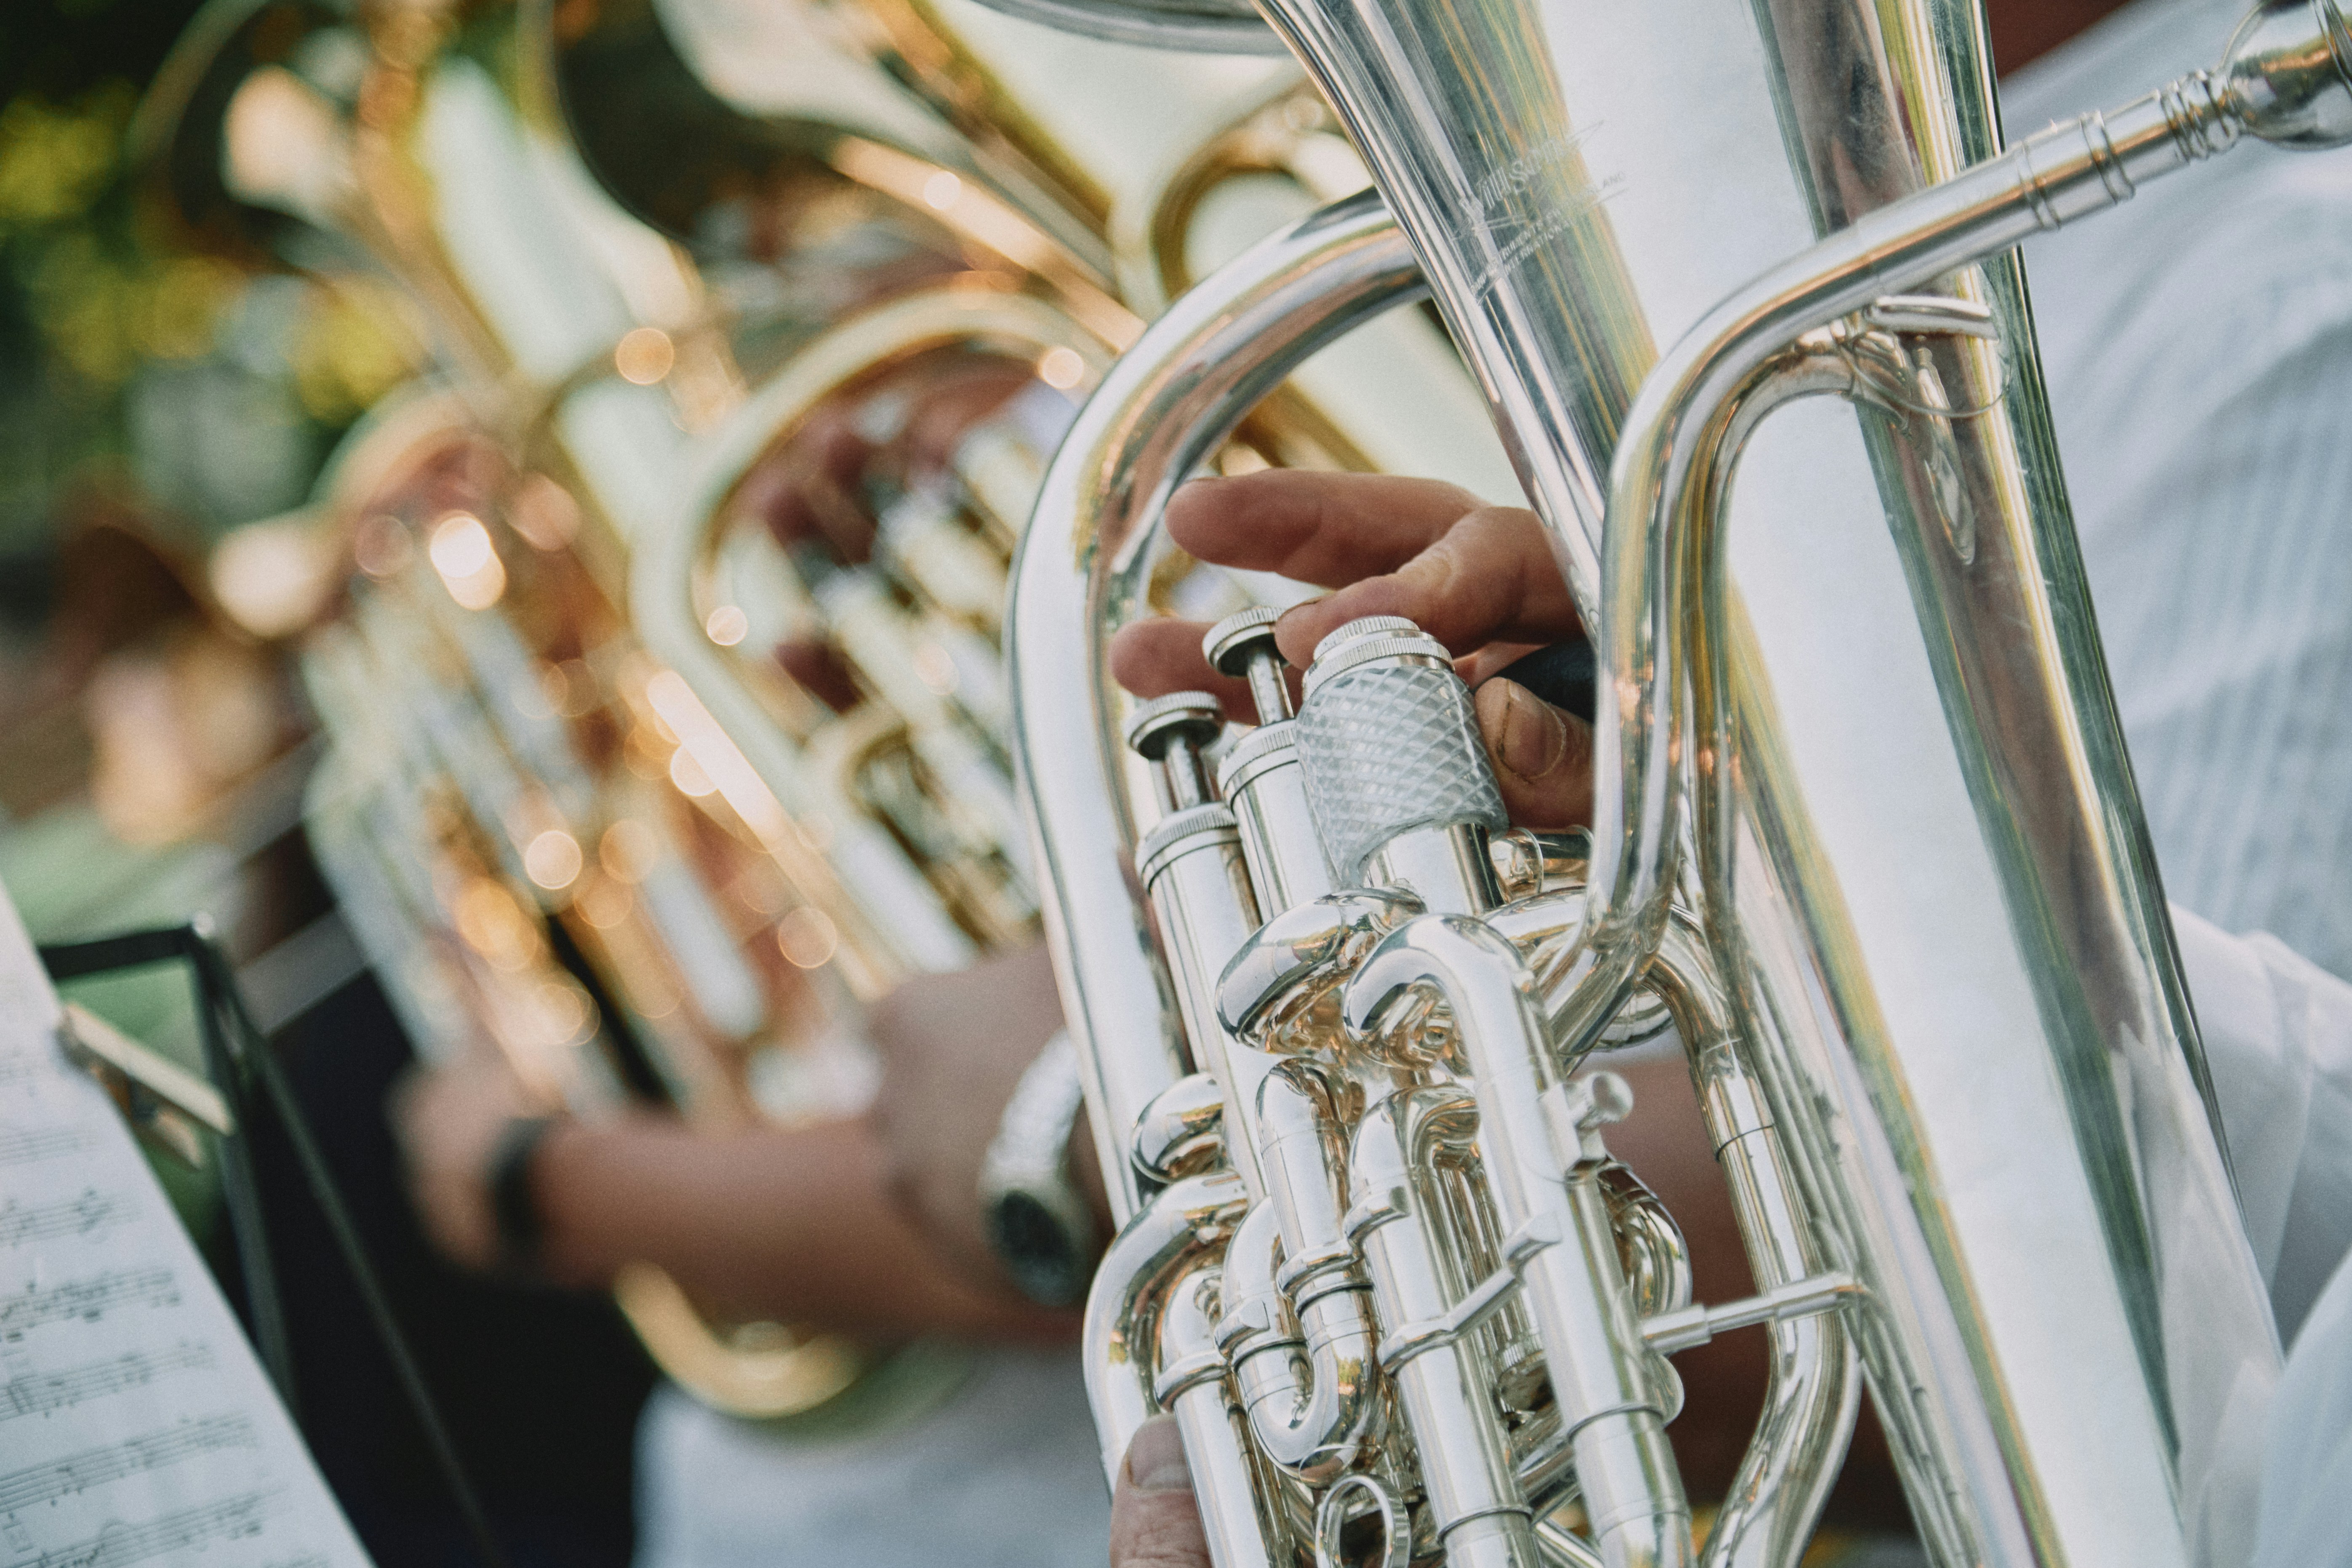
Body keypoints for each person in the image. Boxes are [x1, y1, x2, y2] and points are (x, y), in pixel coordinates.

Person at [872, 0, 2352, 1560]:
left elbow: (2164, 1299)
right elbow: (2261, 1180)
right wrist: (1752, 805)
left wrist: (1093, 1129)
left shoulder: (2282, 294)